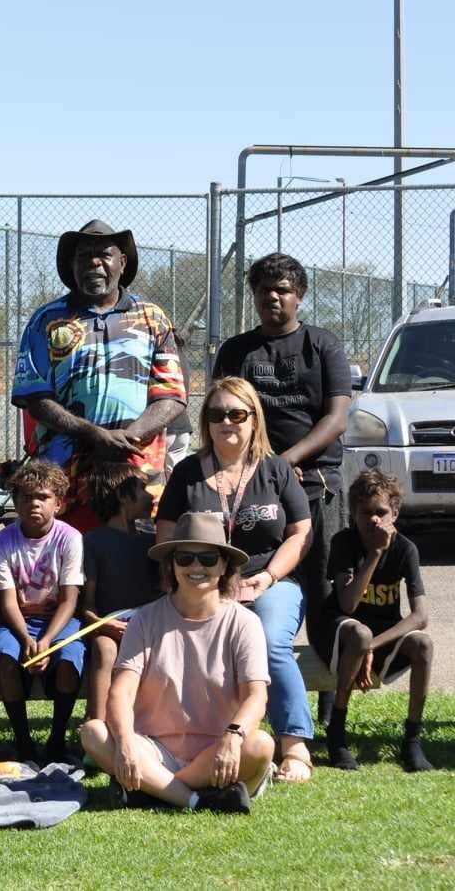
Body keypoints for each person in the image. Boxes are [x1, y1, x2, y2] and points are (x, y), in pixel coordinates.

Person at [213, 252, 351, 723]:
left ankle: (334, 711)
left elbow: (336, 418)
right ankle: (248, 704)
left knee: (324, 591)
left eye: (284, 289)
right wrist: (257, 471)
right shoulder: (237, 351)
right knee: (250, 589)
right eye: (264, 289)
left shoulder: (323, 344)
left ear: (300, 295)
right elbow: (221, 412)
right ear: (253, 295)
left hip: (317, 485)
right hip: (249, 489)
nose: (273, 297)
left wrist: (284, 462)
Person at [156, 375, 315, 783]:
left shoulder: (276, 470)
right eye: (216, 414)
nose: (227, 421)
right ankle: (188, 740)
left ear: (253, 419)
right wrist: (191, 585)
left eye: (236, 413)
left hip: (269, 582)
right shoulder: (188, 471)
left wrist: (268, 577)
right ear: (206, 422)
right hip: (203, 585)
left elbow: (300, 531)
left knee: (268, 637)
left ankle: (295, 746)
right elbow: (167, 533)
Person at [80, 512, 276, 813]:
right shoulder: (144, 620)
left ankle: (155, 789)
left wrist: (233, 736)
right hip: (154, 749)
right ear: (171, 565)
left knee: (261, 744)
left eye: (208, 558)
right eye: (185, 558)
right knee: (94, 733)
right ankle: (198, 799)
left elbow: (256, 695)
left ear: (224, 565)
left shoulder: (245, 623)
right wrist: (126, 742)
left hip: (217, 750)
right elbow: (121, 692)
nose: (196, 567)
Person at [11, 220, 186, 530]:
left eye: (104, 254)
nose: (94, 262)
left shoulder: (152, 318)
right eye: (84, 256)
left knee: (136, 560)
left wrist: (128, 438)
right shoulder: (46, 319)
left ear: (122, 262)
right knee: (70, 562)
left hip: (138, 475)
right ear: (71, 266)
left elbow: (171, 397)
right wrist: (94, 435)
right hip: (65, 476)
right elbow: (36, 398)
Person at [319, 471, 433, 772]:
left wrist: (374, 647)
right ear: (353, 513)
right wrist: (374, 554)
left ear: (394, 512)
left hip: (377, 638)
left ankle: (412, 740)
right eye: (365, 512)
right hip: (342, 632)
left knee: (422, 644)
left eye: (381, 512)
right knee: (360, 632)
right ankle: (337, 734)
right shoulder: (344, 542)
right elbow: (348, 603)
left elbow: (420, 616)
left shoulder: (406, 549)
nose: (373, 520)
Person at [0, 460, 85, 764]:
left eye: (43, 497)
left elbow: (69, 601)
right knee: (6, 658)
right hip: (17, 623)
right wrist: (27, 640)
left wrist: (46, 642)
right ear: (15, 502)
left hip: (59, 621)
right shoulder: (2, 542)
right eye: (26, 497)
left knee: (69, 659)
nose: (34, 503)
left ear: (58, 503)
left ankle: (56, 739)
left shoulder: (69, 538)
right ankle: (24, 743)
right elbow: (7, 603)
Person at [80, 463, 159, 723]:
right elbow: (87, 606)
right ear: (124, 496)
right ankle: (98, 729)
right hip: (110, 626)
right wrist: (107, 625)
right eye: (143, 489)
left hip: (150, 624)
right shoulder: (93, 542)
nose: (151, 496)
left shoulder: (154, 539)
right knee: (104, 649)